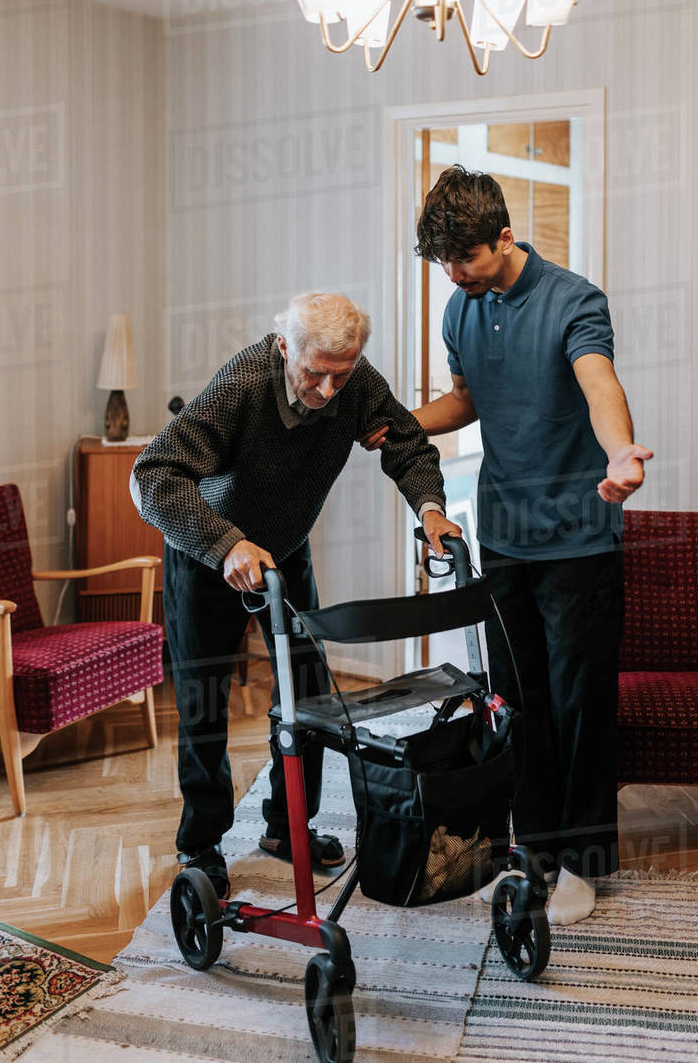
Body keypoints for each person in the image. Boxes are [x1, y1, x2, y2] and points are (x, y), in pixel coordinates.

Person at [363, 166, 652, 925]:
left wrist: (620, 455)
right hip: (506, 536)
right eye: (446, 264)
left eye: (467, 259)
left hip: (579, 539)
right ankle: (532, 852)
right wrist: (404, 426)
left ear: (505, 236)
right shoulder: (462, 308)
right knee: (515, 701)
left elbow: (599, 386)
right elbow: (467, 399)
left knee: (577, 700)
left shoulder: (574, 300)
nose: (456, 276)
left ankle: (583, 865)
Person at [130, 292, 460, 898]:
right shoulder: (243, 384)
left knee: (307, 693)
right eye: (315, 373)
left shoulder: (353, 380)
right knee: (205, 701)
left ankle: (288, 826)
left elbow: (407, 442)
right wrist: (225, 544)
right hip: (210, 554)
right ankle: (200, 843)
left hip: (284, 549)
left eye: (343, 372)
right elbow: (152, 474)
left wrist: (431, 509)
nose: (331, 389)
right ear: (285, 347)